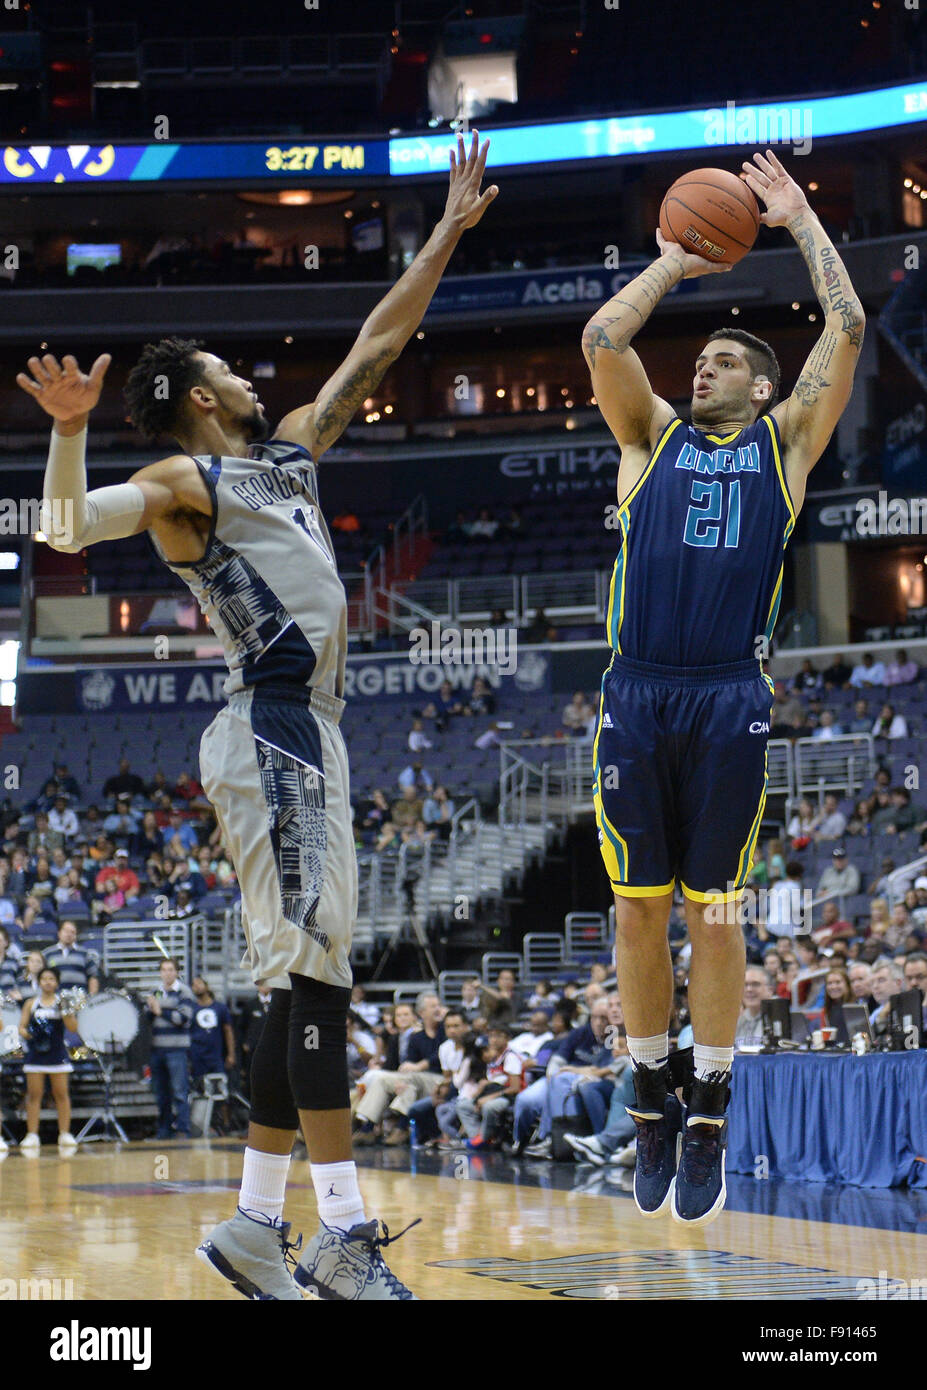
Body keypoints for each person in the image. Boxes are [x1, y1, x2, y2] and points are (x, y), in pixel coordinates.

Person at [22, 127, 498, 1305]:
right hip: (274, 721)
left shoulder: (287, 456)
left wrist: (444, 231)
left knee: (306, 980)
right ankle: (334, 1233)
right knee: (320, 980)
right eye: (226, 367)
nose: (251, 373)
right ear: (195, 397)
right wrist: (72, 426)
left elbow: (379, 344)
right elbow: (67, 528)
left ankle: (249, 1227)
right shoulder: (194, 483)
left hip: (310, 729)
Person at [583, 148, 865, 1226]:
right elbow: (605, 338)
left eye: (720, 363)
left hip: (727, 696)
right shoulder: (647, 435)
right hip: (638, 690)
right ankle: (649, 1085)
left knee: (719, 908)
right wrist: (669, 262)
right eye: (696, 362)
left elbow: (845, 330)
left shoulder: (785, 445)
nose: (700, 371)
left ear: (760, 382)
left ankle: (711, 1099)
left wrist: (796, 219)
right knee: (635, 906)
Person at [18, 965, 80, 1152]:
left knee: (61, 1094)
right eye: (44, 978)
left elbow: (72, 1028)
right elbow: (21, 1026)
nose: (47, 982)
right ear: (39, 981)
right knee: (34, 1095)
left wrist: (66, 1011)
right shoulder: (31, 1003)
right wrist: (30, 1034)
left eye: (51, 979)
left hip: (57, 1054)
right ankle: (32, 1135)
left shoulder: (62, 1002)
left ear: (57, 983)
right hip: (36, 1055)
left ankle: (65, 1134)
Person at [145, 957, 195, 1140]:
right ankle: (164, 1129)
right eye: (164, 970)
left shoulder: (184, 992)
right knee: (161, 1092)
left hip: (177, 1049)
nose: (167, 973)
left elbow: (184, 1018)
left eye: (170, 969)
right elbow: (148, 1020)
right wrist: (150, 1010)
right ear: (160, 972)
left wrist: (160, 1012)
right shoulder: (155, 992)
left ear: (176, 972)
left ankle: (183, 1128)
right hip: (157, 1049)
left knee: (180, 1091)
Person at [190, 976, 236, 1084]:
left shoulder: (220, 1008)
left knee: (219, 1088)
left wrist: (231, 1054)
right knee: (200, 1088)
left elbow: (228, 1031)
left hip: (216, 1056)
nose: (197, 987)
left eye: (199, 983)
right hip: (197, 1056)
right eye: (194, 985)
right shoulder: (191, 1009)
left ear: (207, 986)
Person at [44, 919, 100, 997]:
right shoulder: (48, 953)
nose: (69, 934)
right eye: (66, 931)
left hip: (80, 998)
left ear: (76, 936)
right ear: (59, 933)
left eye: (72, 932)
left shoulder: (85, 954)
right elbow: (41, 977)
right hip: (55, 997)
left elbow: (93, 977)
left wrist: (92, 997)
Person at [734, 965, 773, 1046]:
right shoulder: (737, 1022)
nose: (749, 989)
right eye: (745, 985)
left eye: (755, 984)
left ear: (770, 990)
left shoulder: (779, 1021)